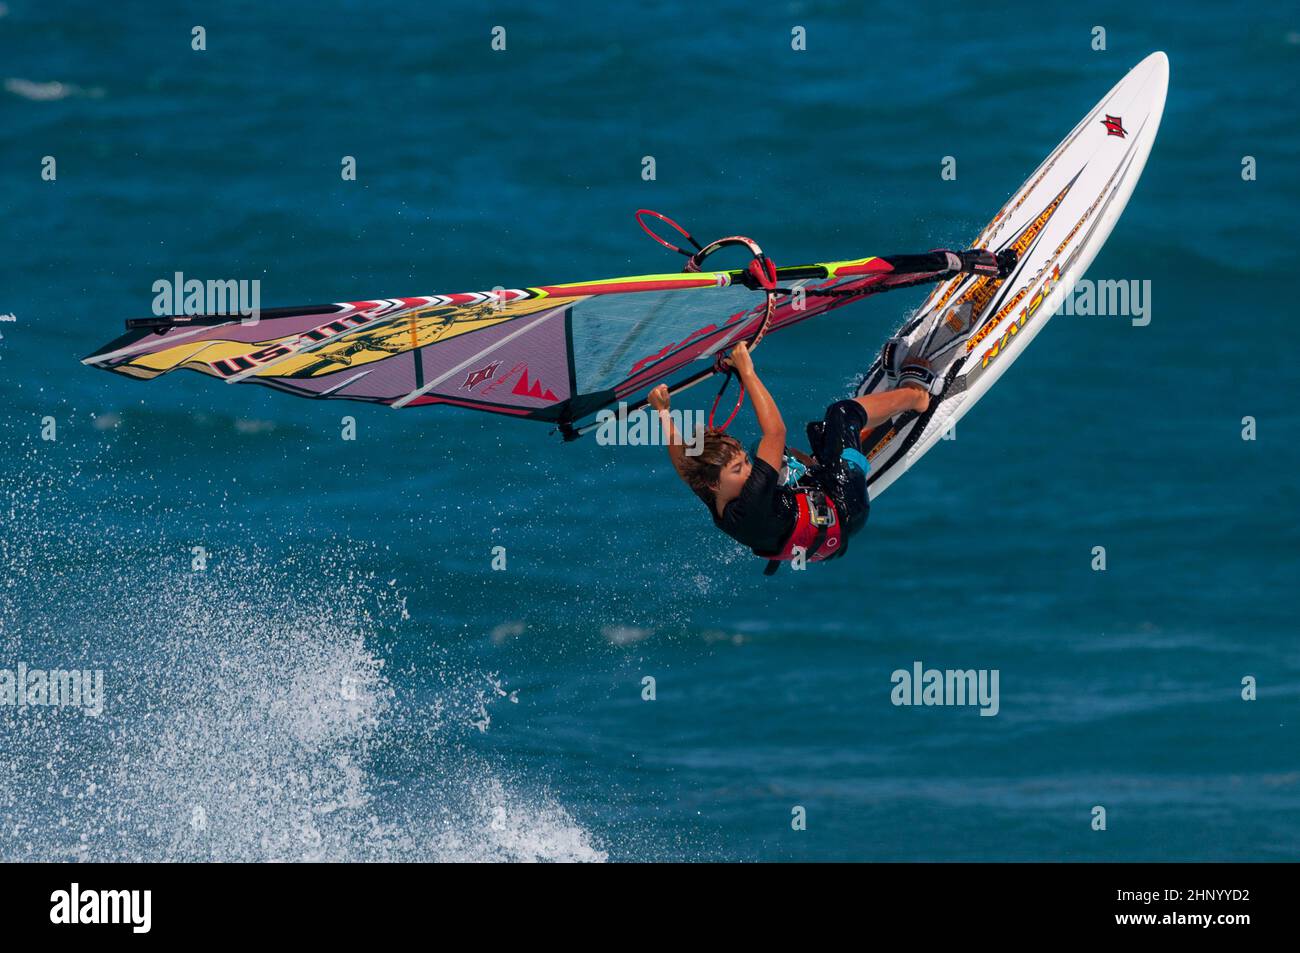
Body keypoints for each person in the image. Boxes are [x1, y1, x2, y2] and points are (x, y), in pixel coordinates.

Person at [649, 247, 1012, 573]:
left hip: (817, 532)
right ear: (717, 482)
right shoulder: (751, 498)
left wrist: (664, 414)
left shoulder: (713, 494)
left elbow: (684, 465)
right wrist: (747, 372)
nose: (747, 466)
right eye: (737, 467)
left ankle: (852, 444)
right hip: (844, 506)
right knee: (841, 415)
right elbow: (774, 431)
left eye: (742, 459)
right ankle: (916, 394)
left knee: (817, 435)